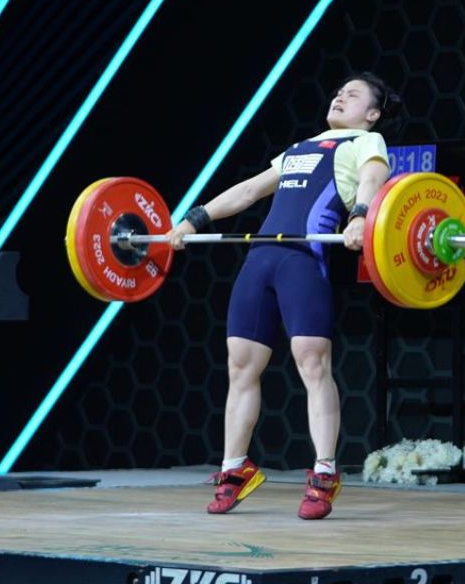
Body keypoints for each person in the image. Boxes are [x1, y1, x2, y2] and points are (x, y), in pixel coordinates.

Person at [167, 73, 400, 519]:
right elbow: (250, 190)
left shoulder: (365, 144)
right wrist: (193, 221)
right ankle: (235, 469)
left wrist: (360, 216)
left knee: (313, 365)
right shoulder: (300, 149)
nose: (339, 96)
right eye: (337, 91)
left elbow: (372, 180)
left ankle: (325, 472)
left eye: (352, 95)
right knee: (240, 367)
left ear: (372, 114)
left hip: (303, 259)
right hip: (261, 259)